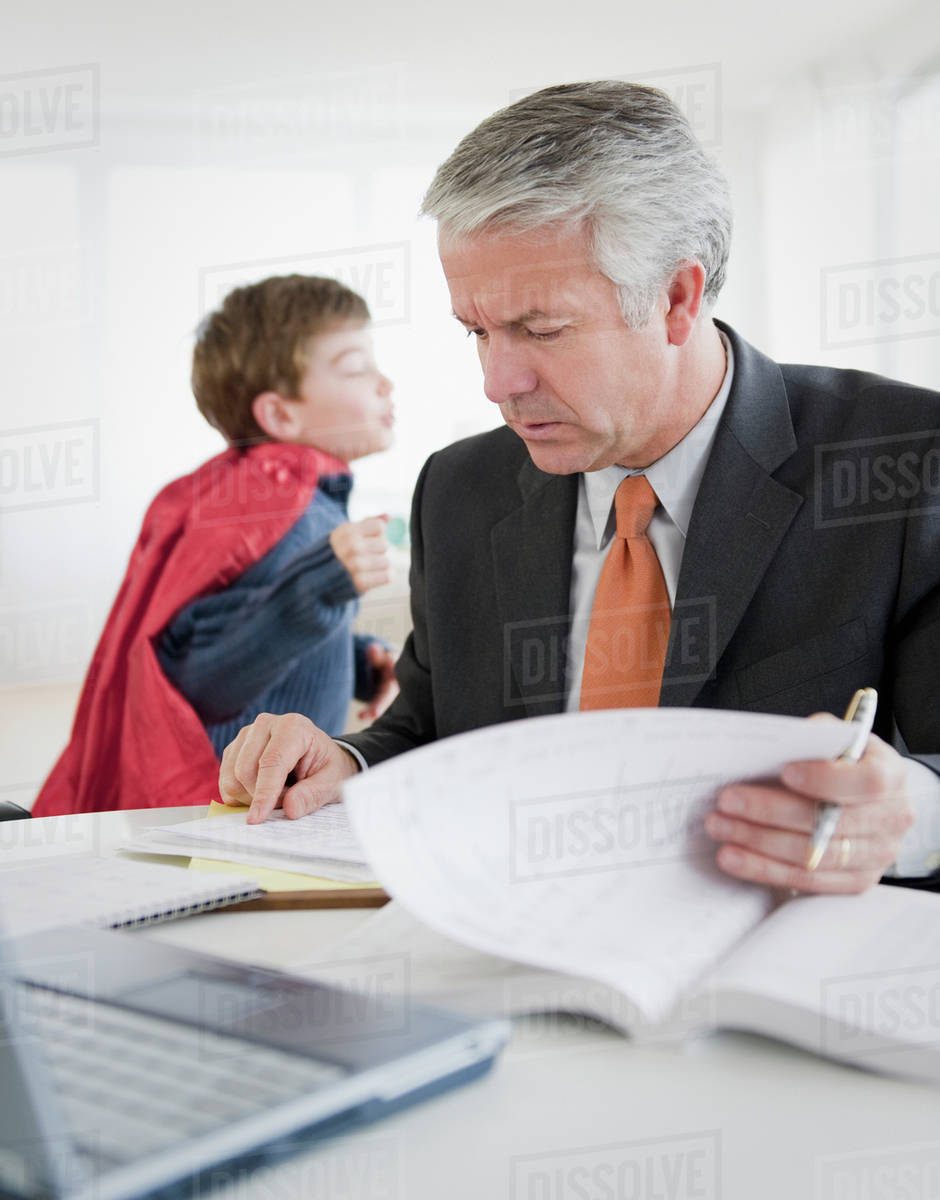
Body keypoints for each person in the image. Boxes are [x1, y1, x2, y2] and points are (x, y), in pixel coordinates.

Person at [218, 83, 940, 895]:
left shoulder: (908, 464)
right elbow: (429, 727)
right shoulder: (461, 488)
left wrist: (910, 815)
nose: (498, 381)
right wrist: (343, 759)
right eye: (477, 332)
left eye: (542, 329)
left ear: (677, 297)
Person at [33, 274, 398, 815]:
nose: (384, 383)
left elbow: (254, 625)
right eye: (354, 367)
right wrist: (318, 591)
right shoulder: (281, 510)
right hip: (223, 816)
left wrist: (358, 659)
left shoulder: (271, 499)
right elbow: (195, 673)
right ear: (279, 414)